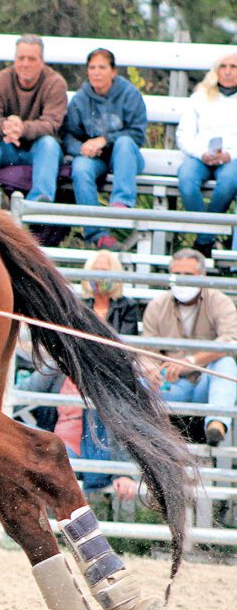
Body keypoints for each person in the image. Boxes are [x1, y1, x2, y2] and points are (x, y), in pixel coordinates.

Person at [19, 250, 140, 503]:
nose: (100, 276)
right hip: (64, 443)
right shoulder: (75, 312)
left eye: (106, 271)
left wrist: (123, 470)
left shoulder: (126, 307)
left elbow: (124, 350)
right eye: (96, 270)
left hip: (104, 384)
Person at [142, 248, 237, 446]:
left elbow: (231, 340)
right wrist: (151, 369)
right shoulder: (157, 305)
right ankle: (145, 439)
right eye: (177, 274)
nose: (182, 280)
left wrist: (191, 362)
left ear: (202, 276)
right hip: (170, 385)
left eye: (188, 275)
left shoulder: (219, 301)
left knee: (227, 363)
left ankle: (217, 422)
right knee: (138, 379)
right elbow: (147, 350)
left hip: (205, 383)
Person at [63, 48, 148, 250]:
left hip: (126, 157)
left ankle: (120, 209)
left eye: (102, 67)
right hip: (96, 159)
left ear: (113, 71)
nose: (96, 72)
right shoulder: (80, 99)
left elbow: (137, 134)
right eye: (92, 67)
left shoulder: (129, 95)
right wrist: (82, 148)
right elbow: (68, 135)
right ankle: (96, 233)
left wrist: (105, 140)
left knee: (124, 143)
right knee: (80, 167)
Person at [0, 34, 68, 203]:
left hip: (39, 150)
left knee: (49, 143)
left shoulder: (55, 83)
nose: (25, 64)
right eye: (21, 58)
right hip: (9, 147)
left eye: (32, 59)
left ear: (42, 61)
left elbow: (52, 124)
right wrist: (5, 125)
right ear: (15, 59)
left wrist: (22, 128)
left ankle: (38, 202)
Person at [176, 51, 237, 258]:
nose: (228, 72)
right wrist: (201, 153)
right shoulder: (199, 97)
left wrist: (230, 154)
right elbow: (184, 135)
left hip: (231, 157)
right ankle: (207, 238)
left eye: (233, 67)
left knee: (229, 181)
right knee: (186, 179)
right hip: (201, 156)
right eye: (223, 66)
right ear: (216, 70)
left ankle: (203, 240)